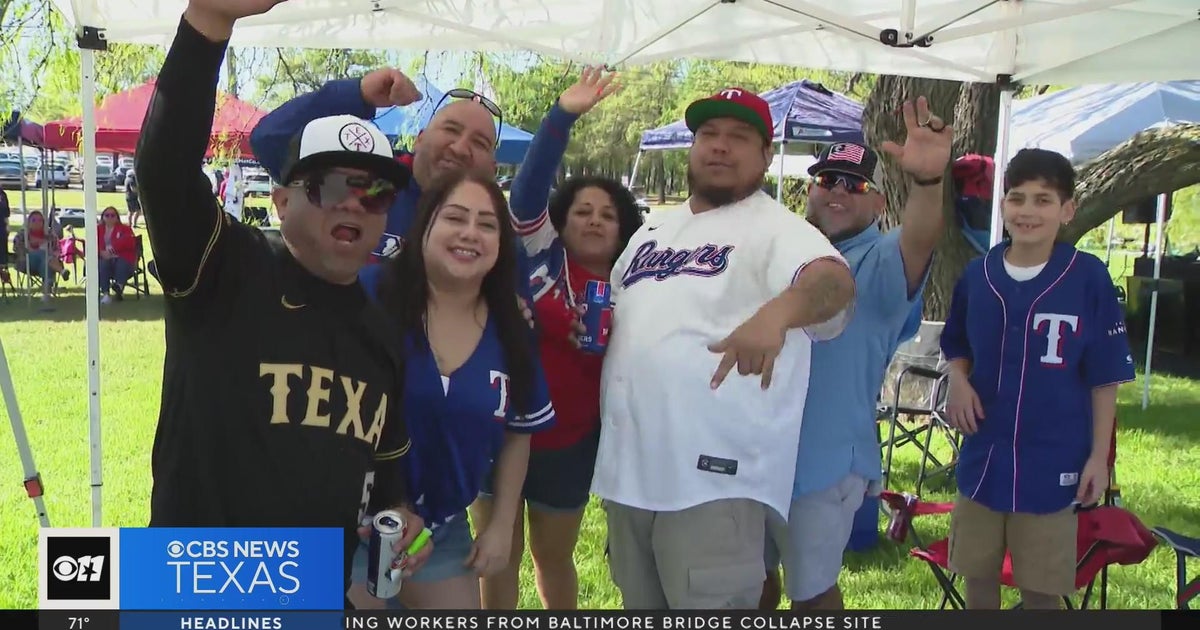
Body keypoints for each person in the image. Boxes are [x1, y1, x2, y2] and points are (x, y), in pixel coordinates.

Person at [135, 0, 429, 606]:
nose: (353, 203)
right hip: (194, 592)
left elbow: (390, 481)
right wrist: (209, 22)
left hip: (313, 597)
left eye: (374, 192)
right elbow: (163, 171)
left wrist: (403, 521)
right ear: (280, 201)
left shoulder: (380, 336)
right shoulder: (224, 268)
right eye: (329, 184)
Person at [595, 87, 856, 610]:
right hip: (629, 475)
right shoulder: (651, 231)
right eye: (708, 135)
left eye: (739, 137)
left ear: (765, 155)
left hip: (711, 483)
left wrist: (777, 315)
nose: (720, 146)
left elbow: (833, 284)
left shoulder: (778, 228)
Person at [761, 99, 953, 610]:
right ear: (810, 191)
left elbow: (920, 237)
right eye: (828, 180)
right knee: (750, 586)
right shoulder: (782, 248)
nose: (840, 190)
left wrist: (929, 183)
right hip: (754, 452)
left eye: (856, 184)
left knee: (813, 595)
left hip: (822, 464)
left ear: (878, 206)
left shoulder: (882, 259)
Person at [940, 147, 1135, 609]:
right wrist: (959, 380)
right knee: (977, 577)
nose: (1028, 210)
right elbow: (957, 343)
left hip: (1053, 463)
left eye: (1043, 200)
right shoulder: (978, 274)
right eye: (1017, 198)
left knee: (1042, 591)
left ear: (1067, 210)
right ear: (1002, 205)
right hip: (984, 458)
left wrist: (1098, 459)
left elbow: (1105, 376)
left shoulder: (1087, 277)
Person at [351, 171, 556, 610]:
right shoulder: (367, 297)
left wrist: (501, 524)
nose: (470, 233)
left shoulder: (513, 327)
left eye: (487, 224)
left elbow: (521, 428)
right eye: (455, 217)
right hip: (345, 523)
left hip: (439, 531)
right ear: (424, 226)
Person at [474, 69, 637, 611]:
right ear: (561, 221)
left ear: (623, 229)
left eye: (607, 215)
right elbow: (527, 187)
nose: (593, 221)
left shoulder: (633, 282)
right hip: (500, 429)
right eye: (582, 211)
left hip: (570, 441)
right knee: (496, 555)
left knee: (552, 558)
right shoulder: (540, 255)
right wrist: (561, 116)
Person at [96, 206, 138, 304]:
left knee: (121, 263)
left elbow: (129, 242)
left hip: (121, 257)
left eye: (112, 215)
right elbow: (91, 244)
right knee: (102, 265)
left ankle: (119, 287)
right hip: (103, 258)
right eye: (107, 215)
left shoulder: (125, 229)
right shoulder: (97, 229)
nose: (110, 218)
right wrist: (101, 252)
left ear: (117, 217)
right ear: (103, 217)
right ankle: (106, 294)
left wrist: (112, 249)